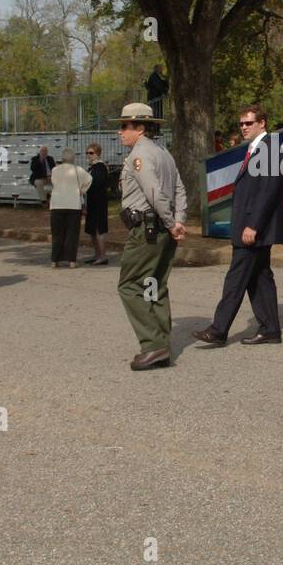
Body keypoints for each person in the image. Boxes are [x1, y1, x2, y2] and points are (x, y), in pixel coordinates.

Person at [193, 104, 283, 347]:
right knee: (260, 278)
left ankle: (218, 330)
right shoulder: (257, 149)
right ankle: (271, 329)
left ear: (262, 123)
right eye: (241, 124)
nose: (244, 127)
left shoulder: (270, 148)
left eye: (249, 123)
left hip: (253, 228)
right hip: (252, 227)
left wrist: (253, 225)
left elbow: (268, 190)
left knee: (236, 278)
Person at [113, 103, 187, 370]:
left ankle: (153, 346)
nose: (120, 132)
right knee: (154, 283)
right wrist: (178, 221)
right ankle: (161, 344)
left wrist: (170, 221)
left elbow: (154, 192)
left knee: (131, 285)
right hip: (162, 228)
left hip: (147, 229)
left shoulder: (140, 154)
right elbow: (178, 187)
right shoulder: (163, 151)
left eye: (125, 126)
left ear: (140, 128)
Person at [48, 149, 91, 268]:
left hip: (57, 204)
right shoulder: (78, 170)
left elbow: (54, 183)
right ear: (73, 158)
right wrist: (81, 191)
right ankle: (72, 260)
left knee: (57, 233)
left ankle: (55, 260)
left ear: (62, 158)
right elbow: (89, 179)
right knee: (72, 233)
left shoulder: (55, 170)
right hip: (73, 204)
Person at [83, 144, 110, 265]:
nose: (89, 155)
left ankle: (103, 255)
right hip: (92, 201)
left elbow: (96, 183)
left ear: (98, 153)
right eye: (87, 153)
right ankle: (97, 254)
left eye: (91, 153)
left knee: (99, 228)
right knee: (92, 229)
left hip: (99, 201)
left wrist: (84, 187)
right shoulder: (92, 167)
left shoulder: (100, 166)